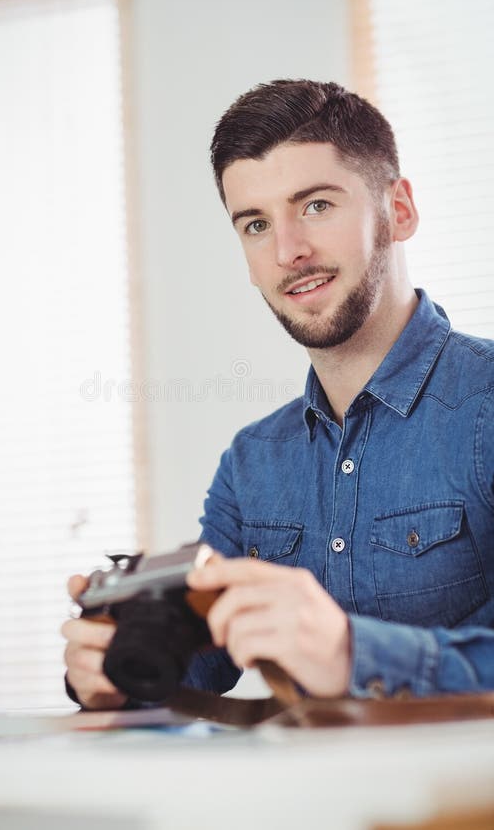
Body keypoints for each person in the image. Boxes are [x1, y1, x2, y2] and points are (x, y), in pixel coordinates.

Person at [62, 79, 494, 710]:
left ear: (398, 210)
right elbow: (196, 666)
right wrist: (112, 670)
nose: (288, 251)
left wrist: (350, 653)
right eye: (256, 223)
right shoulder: (251, 464)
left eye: (316, 205)